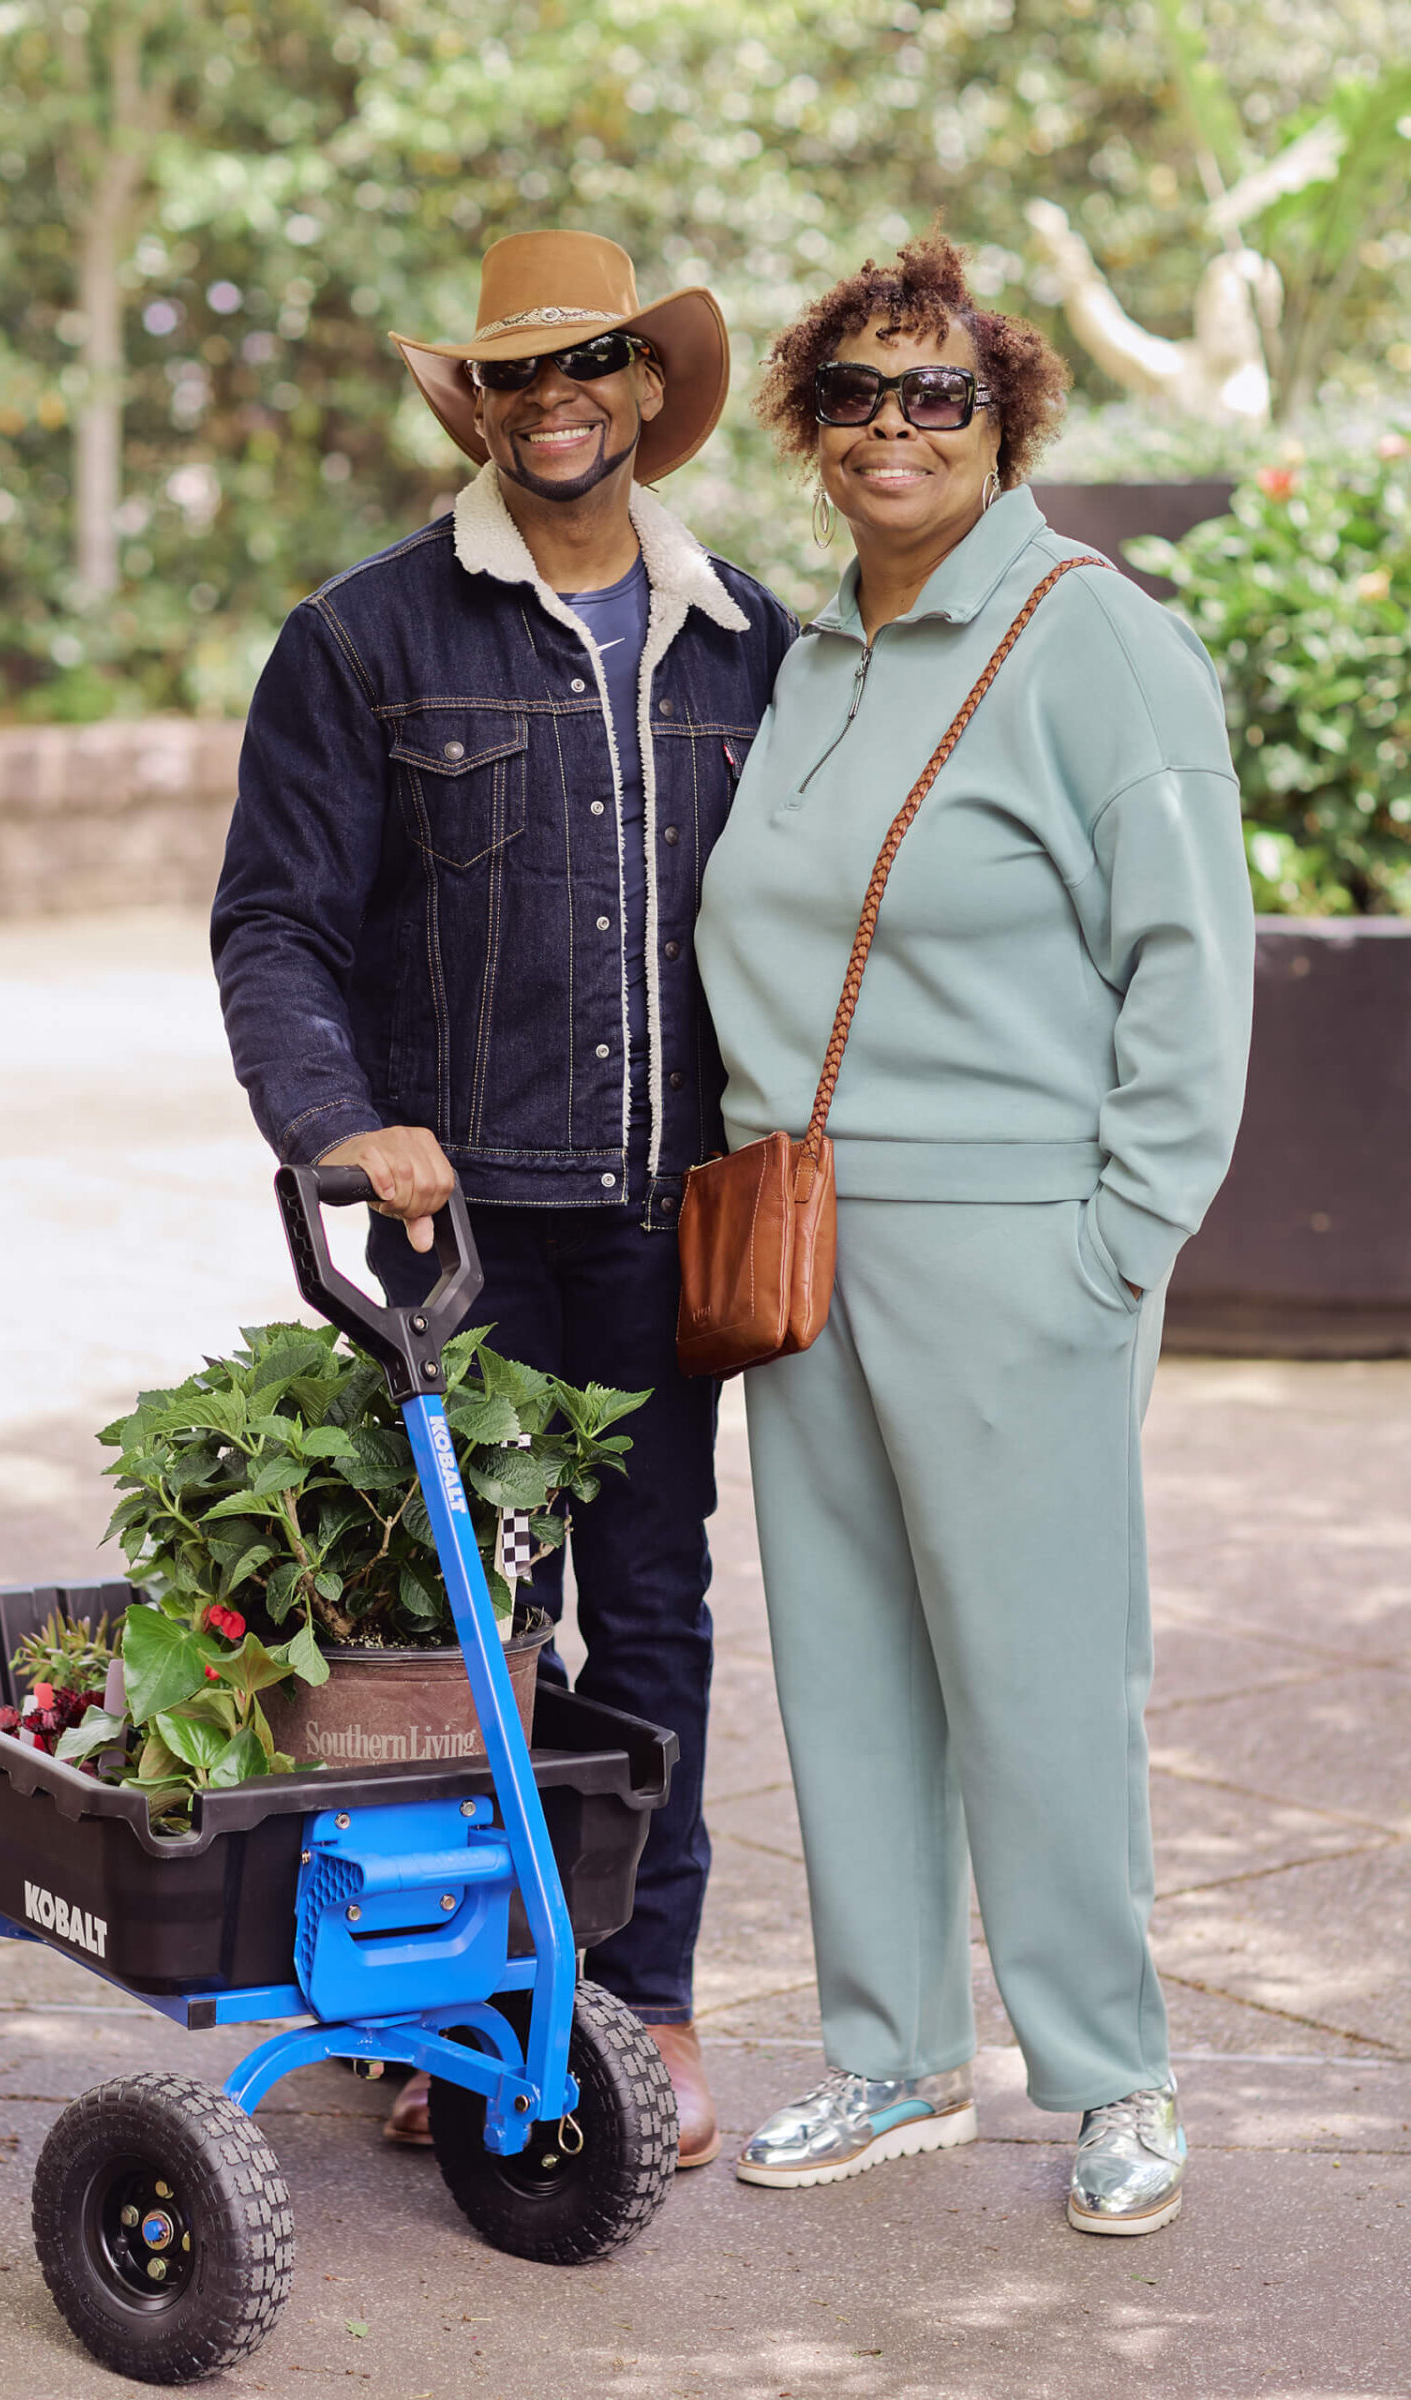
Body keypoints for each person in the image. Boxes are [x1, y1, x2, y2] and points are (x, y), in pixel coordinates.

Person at [212, 230, 799, 2166]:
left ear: (645, 391)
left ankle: (639, 2001)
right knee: (461, 1636)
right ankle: (448, 1998)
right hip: (454, 1241)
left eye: (595, 363)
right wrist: (339, 1120)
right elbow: (277, 926)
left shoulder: (746, 646)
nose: (555, 398)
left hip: (662, 1229)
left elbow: (818, 919)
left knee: (647, 1618)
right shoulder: (363, 638)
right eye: (515, 370)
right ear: (474, 401)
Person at [693, 234, 1253, 2233]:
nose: (889, 428)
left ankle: (1109, 2076)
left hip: (1015, 1241)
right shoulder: (810, 648)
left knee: (1034, 1674)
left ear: (1005, 417)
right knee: (842, 1666)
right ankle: (888, 2057)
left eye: (933, 392)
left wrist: (1120, 1239)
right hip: (805, 1240)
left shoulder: (1089, 637)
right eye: (850, 394)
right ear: (807, 432)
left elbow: (1191, 959)